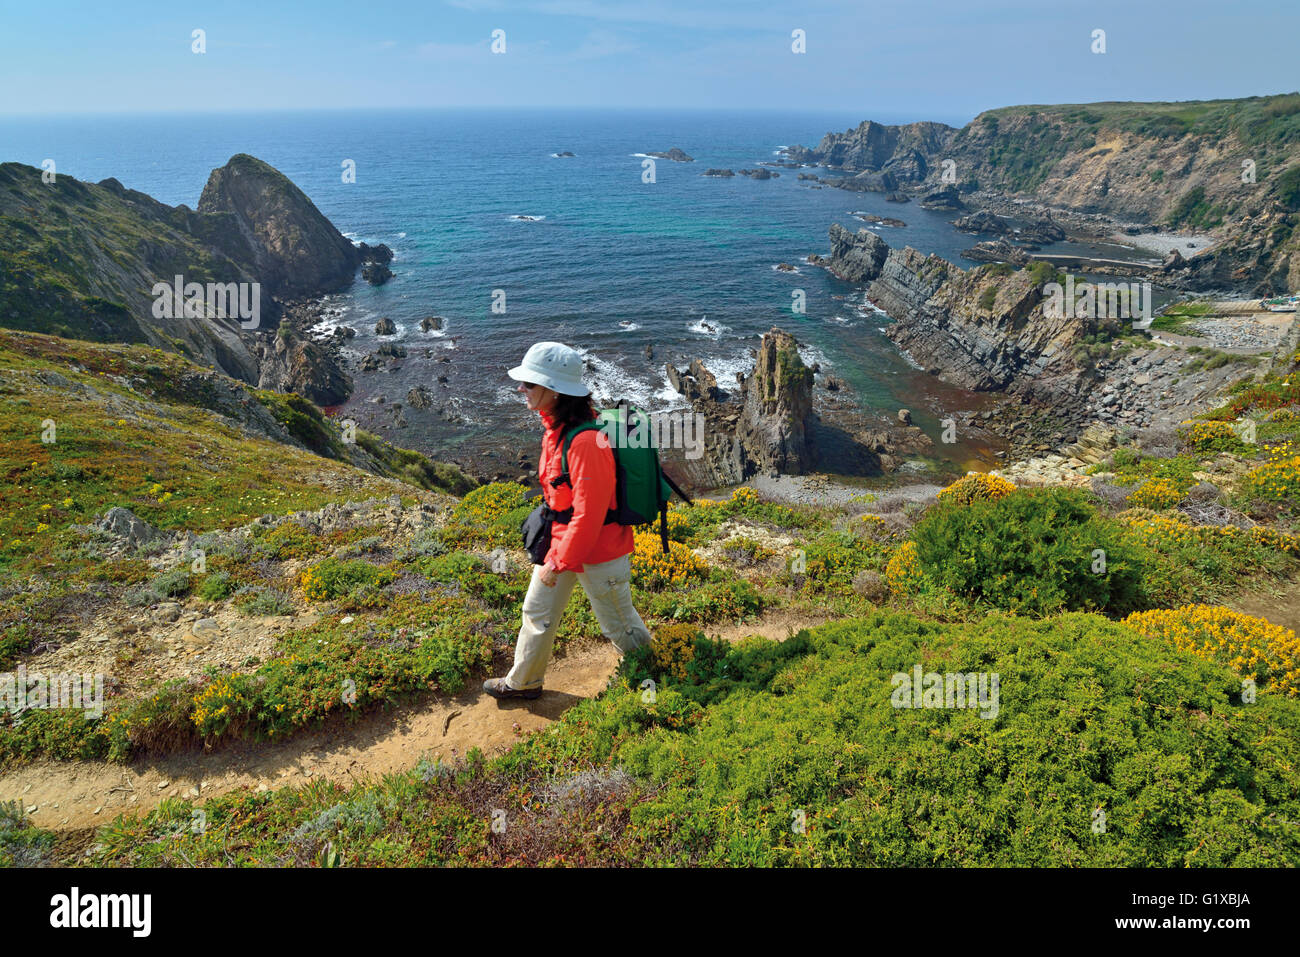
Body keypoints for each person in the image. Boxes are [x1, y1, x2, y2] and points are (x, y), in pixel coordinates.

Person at [483, 341, 653, 700]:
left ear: (554, 391)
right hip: (562, 542)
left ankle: (655, 675)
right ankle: (524, 683)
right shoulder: (555, 429)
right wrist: (555, 553)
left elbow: (589, 515)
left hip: (600, 551)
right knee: (536, 610)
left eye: (529, 384)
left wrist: (557, 563)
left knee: (618, 624)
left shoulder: (587, 443)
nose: (521, 389)